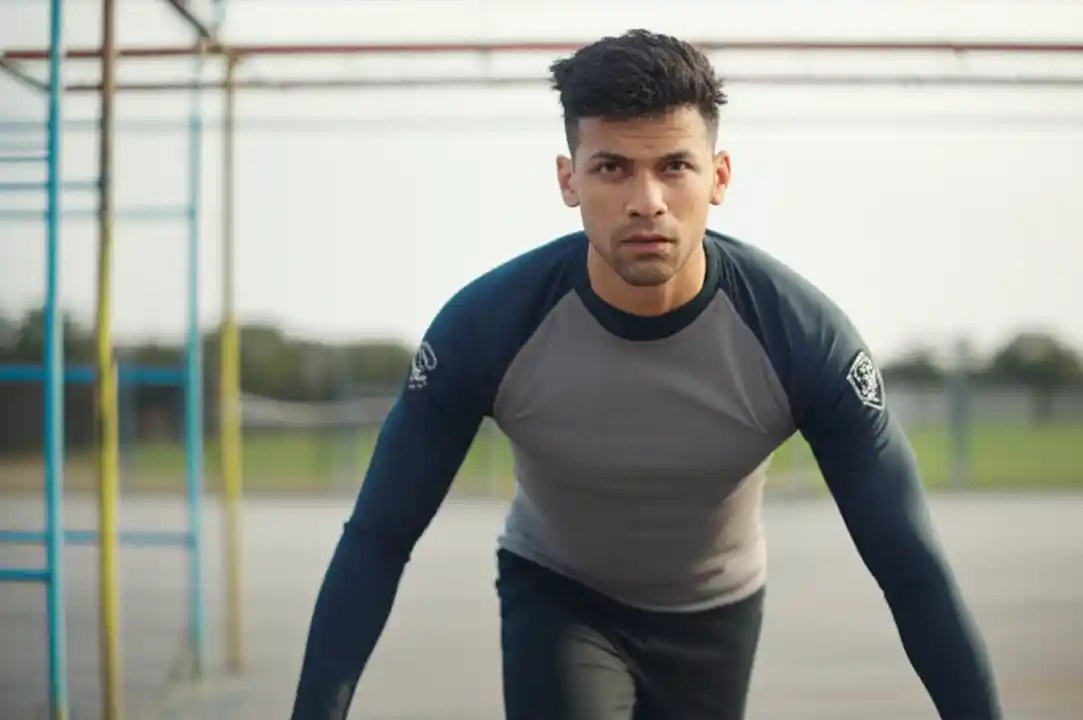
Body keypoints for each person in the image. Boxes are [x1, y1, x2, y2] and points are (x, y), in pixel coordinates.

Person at [290, 28, 1000, 720]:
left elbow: (911, 570)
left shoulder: (801, 339)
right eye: (612, 167)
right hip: (558, 594)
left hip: (718, 607)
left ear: (718, 178)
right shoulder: (489, 327)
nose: (646, 201)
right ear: (568, 180)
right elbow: (379, 538)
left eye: (674, 167)